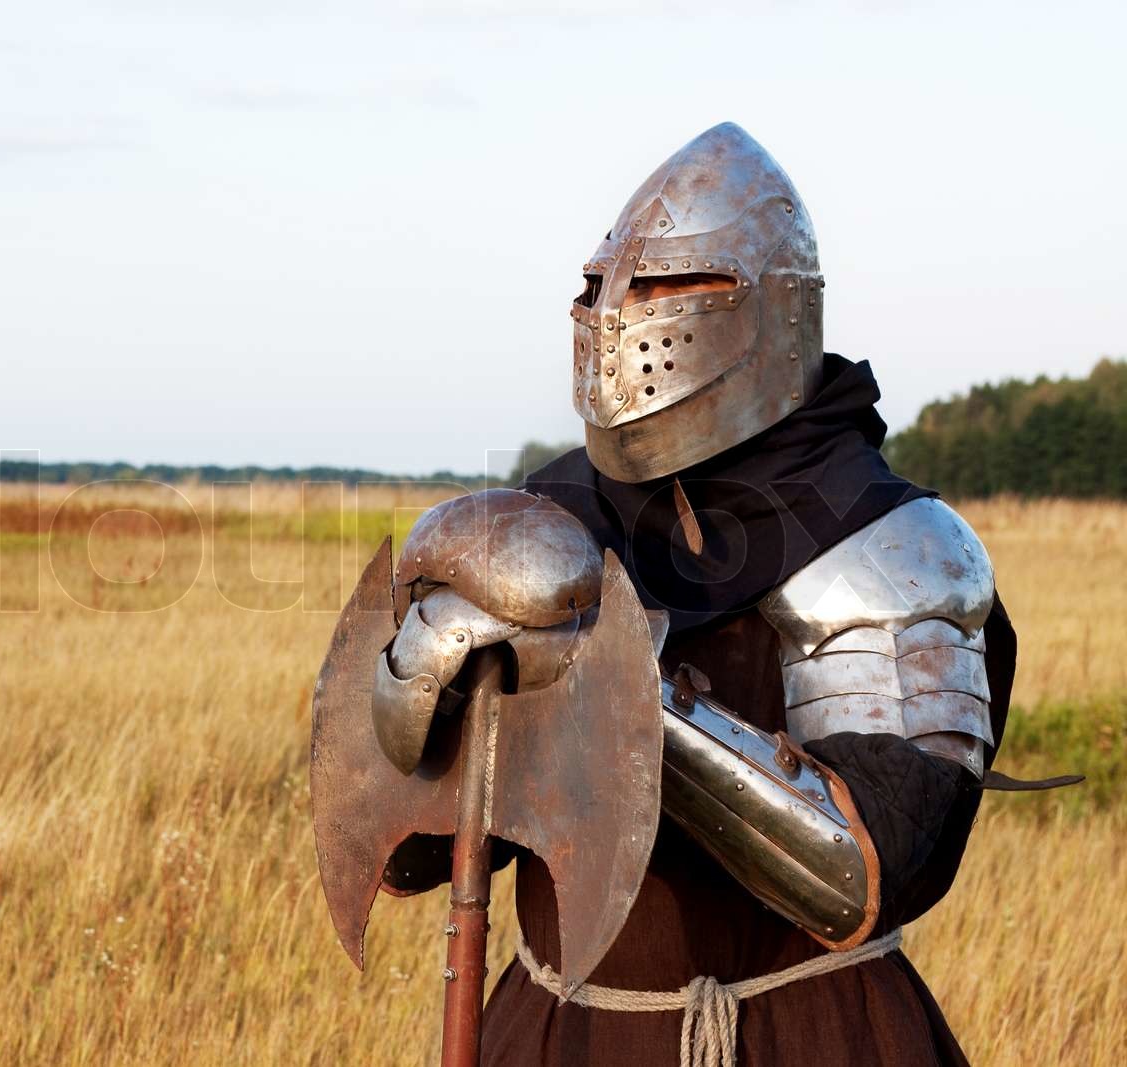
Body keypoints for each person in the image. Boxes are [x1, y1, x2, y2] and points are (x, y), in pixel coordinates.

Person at [378, 123, 1011, 1066]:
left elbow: (863, 868)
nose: (624, 315)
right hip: (561, 1028)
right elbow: (408, 853)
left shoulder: (887, 543)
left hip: (795, 1033)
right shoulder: (542, 520)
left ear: (772, 312)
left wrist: (613, 684)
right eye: (601, 289)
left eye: (673, 287)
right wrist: (418, 691)